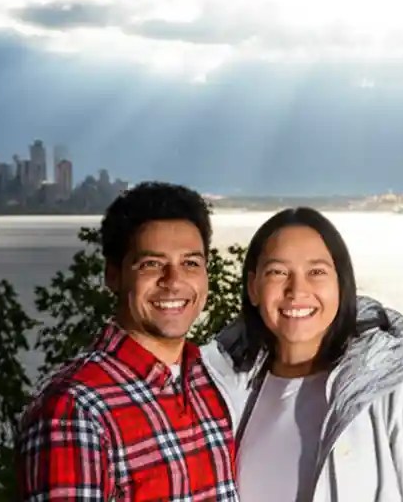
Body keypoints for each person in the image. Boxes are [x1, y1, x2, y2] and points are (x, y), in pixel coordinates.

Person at [201, 208, 403, 502]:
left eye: (316, 272)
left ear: (341, 284)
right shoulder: (225, 388)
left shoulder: (397, 381)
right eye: (277, 272)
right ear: (253, 288)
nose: (297, 290)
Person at [17, 182, 238, 501]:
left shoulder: (214, 382)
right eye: (151, 264)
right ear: (113, 275)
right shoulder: (73, 409)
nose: (174, 281)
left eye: (190, 263)